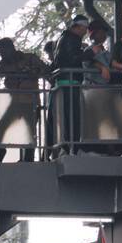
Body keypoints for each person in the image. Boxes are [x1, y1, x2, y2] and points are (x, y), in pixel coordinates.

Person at [49, 13, 88, 152]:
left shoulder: (62, 38)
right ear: (78, 27)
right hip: (70, 82)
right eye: (85, 28)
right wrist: (89, 53)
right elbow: (72, 59)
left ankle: (67, 146)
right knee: (73, 117)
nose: (86, 32)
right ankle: (73, 146)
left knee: (66, 116)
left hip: (64, 83)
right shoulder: (72, 38)